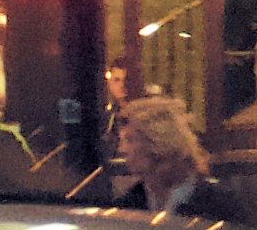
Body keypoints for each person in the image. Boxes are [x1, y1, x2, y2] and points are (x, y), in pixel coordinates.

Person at [105, 94, 248, 222]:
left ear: (159, 143)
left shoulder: (220, 207)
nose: (122, 150)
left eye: (131, 140)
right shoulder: (126, 208)